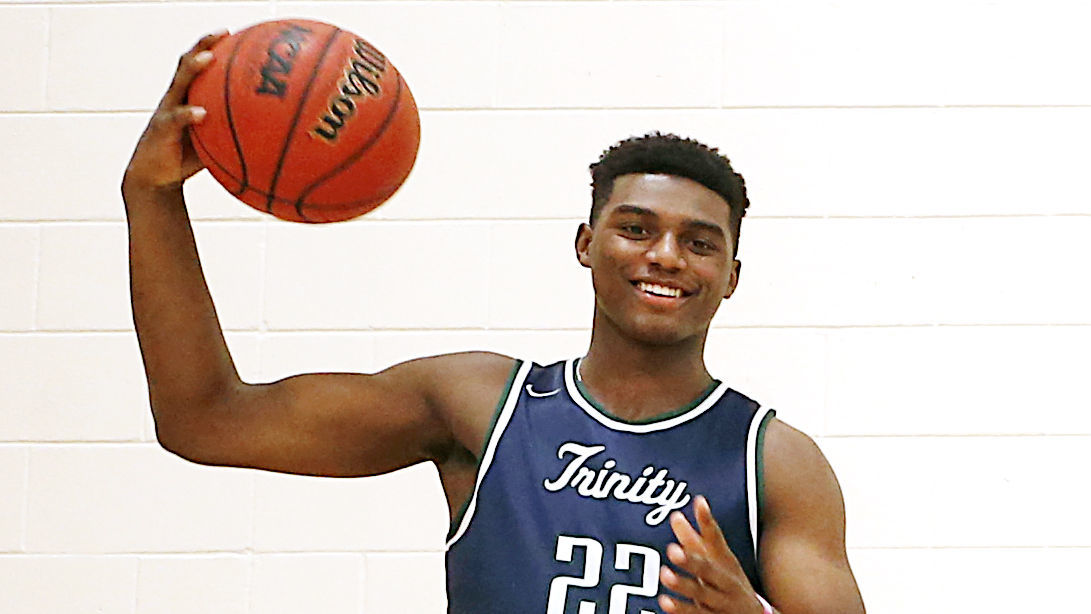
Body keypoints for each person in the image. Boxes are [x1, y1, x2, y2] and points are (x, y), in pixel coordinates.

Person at [123, 32, 866, 614]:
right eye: (636, 229)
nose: (665, 256)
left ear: (731, 277)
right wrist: (151, 198)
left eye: (699, 243)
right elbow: (206, 420)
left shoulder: (772, 461)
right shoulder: (480, 403)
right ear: (586, 243)